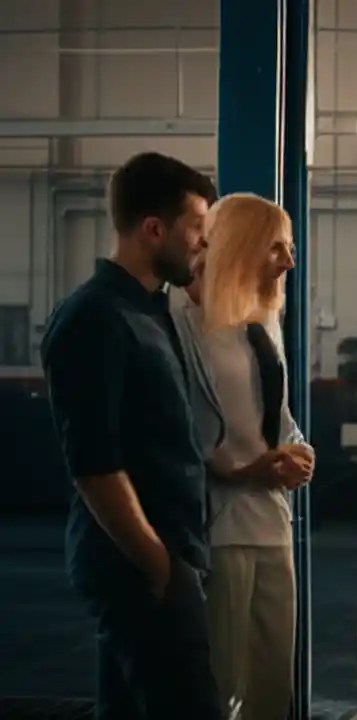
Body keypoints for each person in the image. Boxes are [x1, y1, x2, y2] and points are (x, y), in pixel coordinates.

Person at [40, 151, 222, 719]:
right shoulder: (94, 316)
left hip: (165, 557)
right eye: (197, 229)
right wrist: (157, 564)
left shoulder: (149, 311)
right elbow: (95, 463)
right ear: (153, 229)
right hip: (139, 565)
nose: (203, 244)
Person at [179, 192, 315, 720]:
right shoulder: (181, 321)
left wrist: (299, 448)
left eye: (289, 247)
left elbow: (276, 416)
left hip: (271, 524)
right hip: (220, 529)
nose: (289, 260)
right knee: (222, 682)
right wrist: (236, 470)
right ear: (239, 248)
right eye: (276, 247)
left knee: (269, 680)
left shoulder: (259, 323)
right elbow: (173, 428)